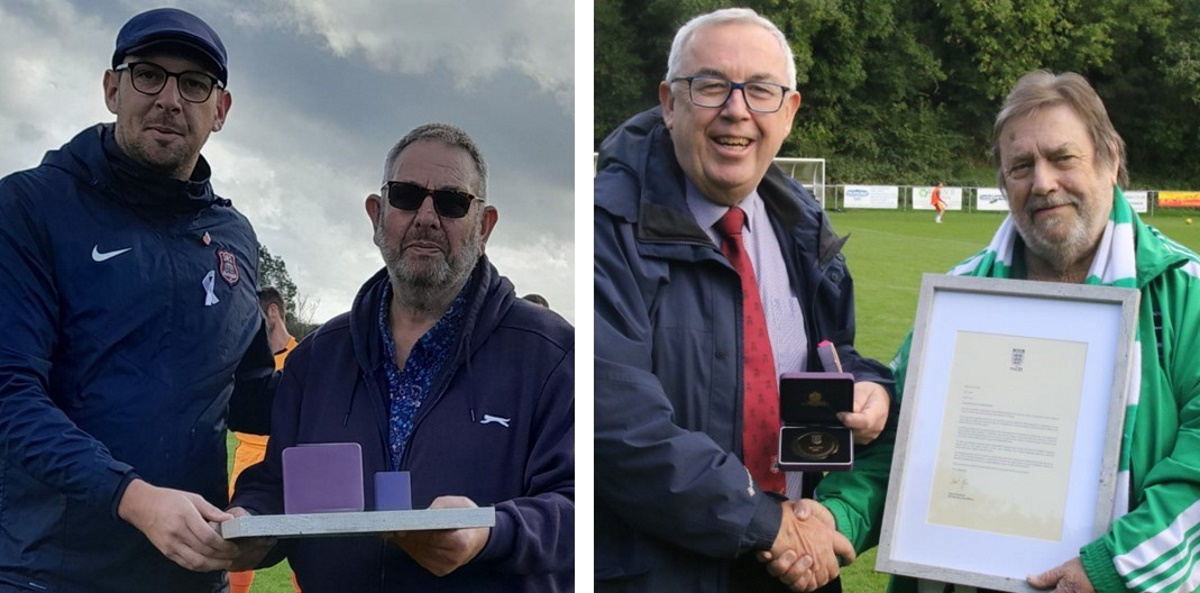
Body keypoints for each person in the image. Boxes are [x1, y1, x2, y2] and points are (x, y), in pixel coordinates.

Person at [812, 70, 1200, 592]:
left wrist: (1111, 566)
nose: (1042, 182)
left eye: (1063, 158)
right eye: (1021, 166)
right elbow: (902, 438)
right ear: (1003, 183)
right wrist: (840, 516)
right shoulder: (962, 293)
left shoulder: (1185, 293)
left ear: (1111, 161)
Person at [594, 7, 894, 592]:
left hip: (792, 567)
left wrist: (869, 388)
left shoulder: (804, 230)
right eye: (710, 86)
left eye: (761, 90)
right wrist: (765, 523)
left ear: (790, 111)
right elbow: (619, 425)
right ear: (669, 102)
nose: (737, 110)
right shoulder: (608, 230)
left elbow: (835, 355)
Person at [0, 7, 277, 592]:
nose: (170, 99)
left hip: (192, 576)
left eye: (194, 83)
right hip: (50, 575)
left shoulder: (234, 237)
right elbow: (9, 392)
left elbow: (253, 397)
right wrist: (130, 496)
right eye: (149, 74)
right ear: (112, 89)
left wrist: (364, 367)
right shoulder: (29, 207)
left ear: (219, 110)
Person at [230, 123, 574, 592]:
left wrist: (491, 530)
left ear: (485, 225)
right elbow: (279, 484)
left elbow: (582, 506)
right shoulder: (317, 358)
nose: (427, 217)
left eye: (453, 202)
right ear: (377, 215)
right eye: (407, 196)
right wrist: (247, 520)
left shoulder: (551, 354)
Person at [229, 287, 300, 593]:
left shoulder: (305, 357)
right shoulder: (242, 362)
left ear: (273, 312)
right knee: (235, 548)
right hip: (246, 462)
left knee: (307, 546)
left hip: (292, 465)